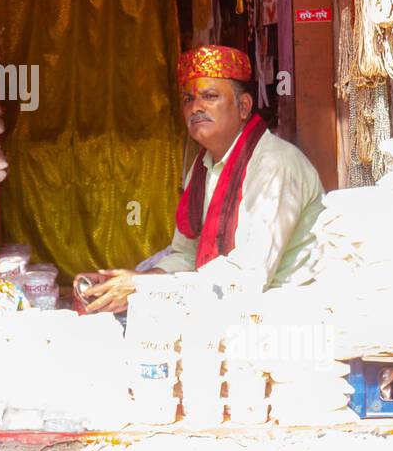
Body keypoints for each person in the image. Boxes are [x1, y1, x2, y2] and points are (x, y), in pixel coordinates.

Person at [82, 45, 323, 314]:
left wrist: (143, 287)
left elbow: (247, 278)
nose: (196, 107)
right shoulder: (202, 167)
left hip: (284, 316)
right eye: (188, 99)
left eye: (209, 96)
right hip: (228, 309)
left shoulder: (275, 164)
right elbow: (187, 254)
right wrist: (131, 284)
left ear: (243, 107)